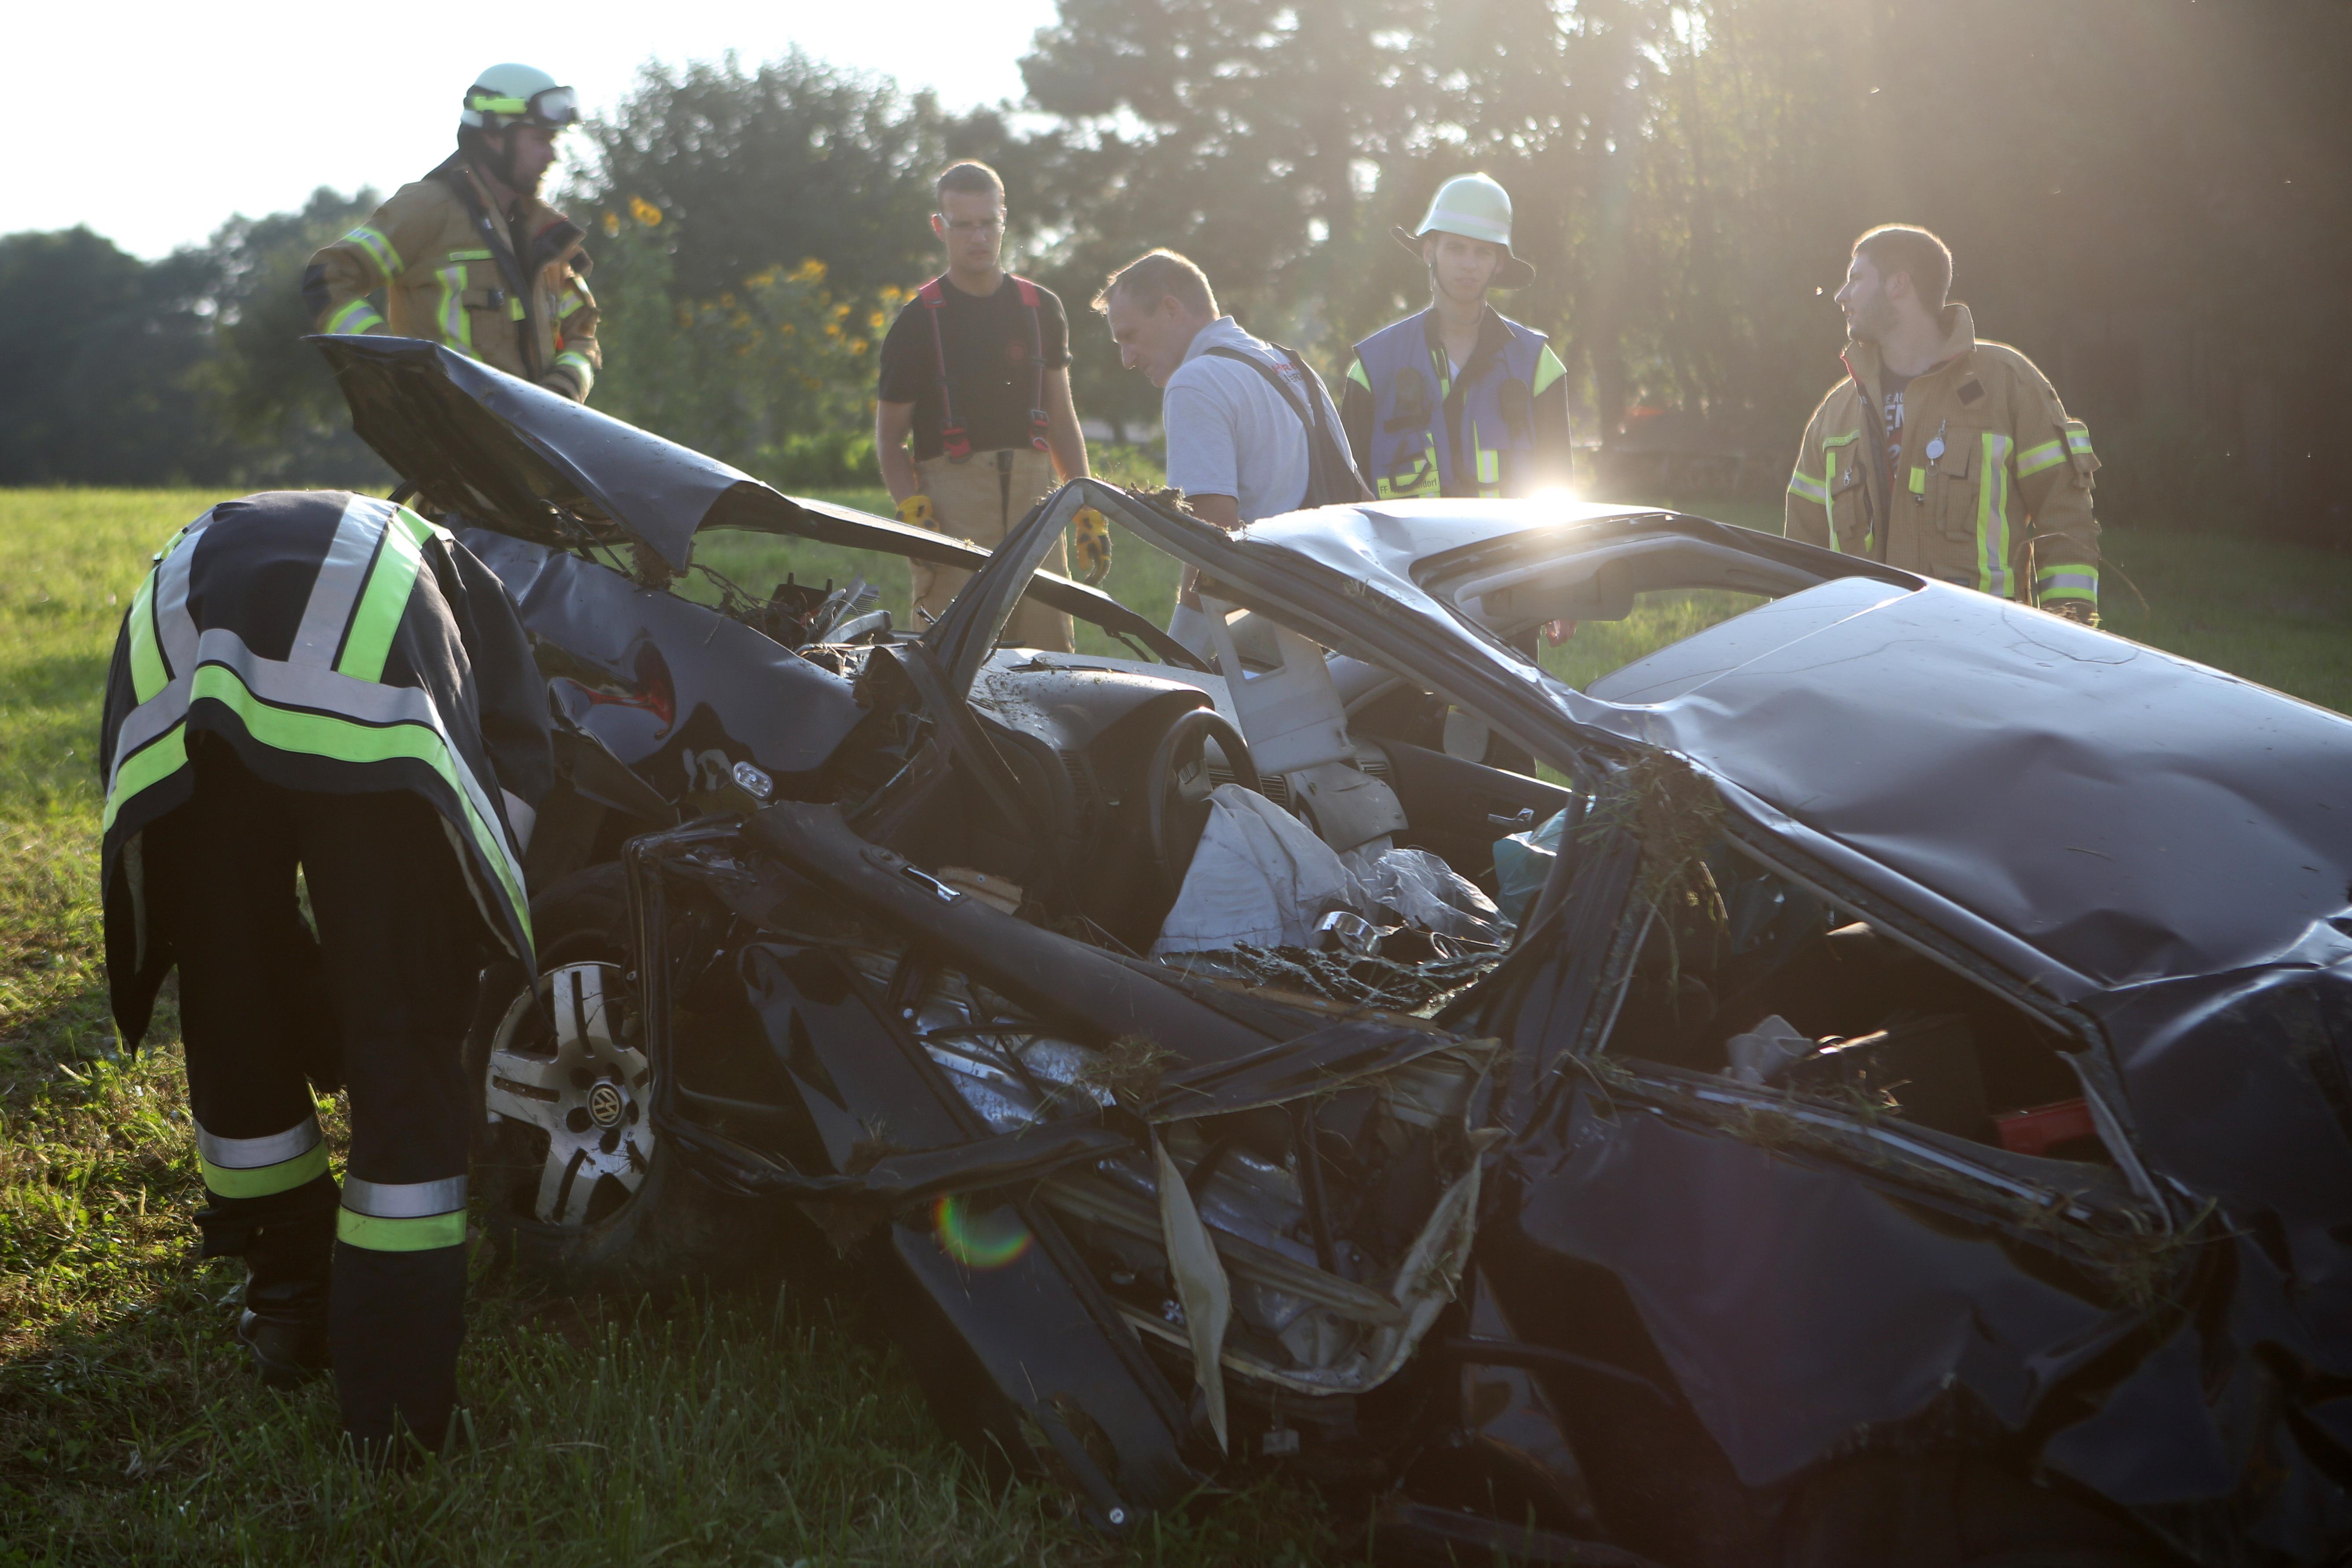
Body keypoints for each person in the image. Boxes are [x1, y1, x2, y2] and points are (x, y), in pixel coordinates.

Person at [98, 490, 551, 1460]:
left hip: (183, 697)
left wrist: (290, 968)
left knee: (231, 999)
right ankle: (394, 1409)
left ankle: (288, 1311)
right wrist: (445, 947)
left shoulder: (253, 534)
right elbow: (512, 772)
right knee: (404, 1039)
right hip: (370, 724)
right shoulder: (465, 580)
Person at [1786, 224, 2100, 621]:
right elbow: (1799, 554)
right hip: (1861, 652)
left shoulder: (2006, 383)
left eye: (1856, 278)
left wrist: (2068, 627)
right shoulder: (1835, 413)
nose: (1841, 295)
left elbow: (2065, 515)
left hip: (1980, 648)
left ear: (1898, 284)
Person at [876, 161, 1106, 650]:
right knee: (953, 660)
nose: (978, 237)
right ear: (940, 227)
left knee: (1047, 660)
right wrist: (910, 508)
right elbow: (890, 439)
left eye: (988, 223)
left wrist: (1085, 506)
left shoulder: (1041, 308)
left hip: (1036, 506)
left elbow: (1062, 421)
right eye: (963, 225)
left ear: (1004, 220)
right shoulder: (917, 322)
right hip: (952, 515)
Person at [1093, 249, 1368, 653]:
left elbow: (1214, 550)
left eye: (1129, 336)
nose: (1126, 359)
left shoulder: (1195, 382)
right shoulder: (1292, 364)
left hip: (1282, 641)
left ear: (1171, 309)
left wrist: (1181, 658)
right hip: (1349, 627)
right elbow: (1361, 497)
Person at [304, 64, 600, 402]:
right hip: (443, 431)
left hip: (529, 435)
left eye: (554, 140)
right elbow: (328, 278)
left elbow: (582, 333)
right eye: (540, 139)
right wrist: (395, 366)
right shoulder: (427, 210)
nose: (553, 155)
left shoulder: (545, 236)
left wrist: (562, 391)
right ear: (495, 134)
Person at [1343, 174, 1572, 499]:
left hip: (1511, 537)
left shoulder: (1538, 365)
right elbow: (1347, 498)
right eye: (1456, 248)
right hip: (1411, 538)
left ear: (1499, 263)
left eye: (1483, 252)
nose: (1469, 265)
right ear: (1429, 252)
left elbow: (1560, 496)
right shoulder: (1373, 369)